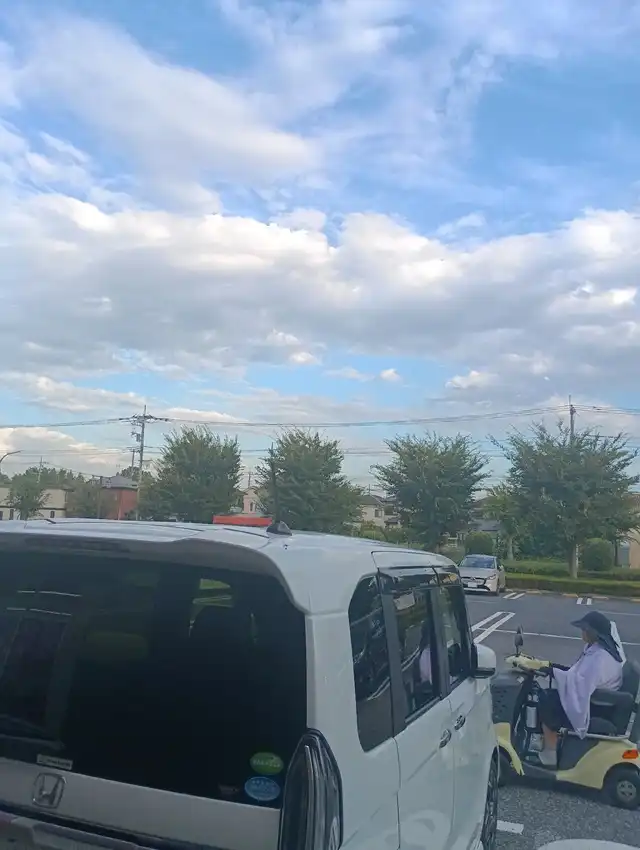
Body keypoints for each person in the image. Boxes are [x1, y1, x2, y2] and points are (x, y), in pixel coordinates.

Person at [537, 610, 623, 768]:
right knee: (551, 695)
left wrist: (553, 672)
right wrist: (552, 667)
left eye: (584, 630)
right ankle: (549, 744)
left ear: (594, 633)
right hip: (600, 701)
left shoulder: (600, 657)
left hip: (597, 706)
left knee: (547, 700)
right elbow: (577, 675)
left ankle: (550, 752)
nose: (582, 633)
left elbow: (581, 683)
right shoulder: (598, 651)